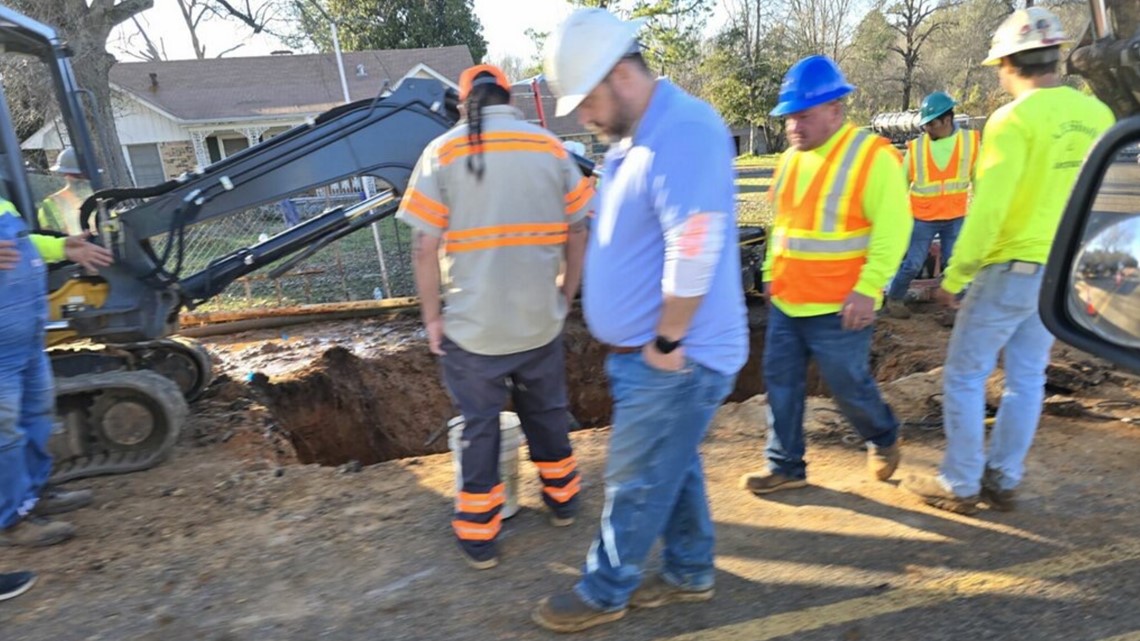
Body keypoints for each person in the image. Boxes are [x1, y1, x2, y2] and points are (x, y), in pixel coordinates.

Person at [532, 8, 747, 632]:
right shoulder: (637, 139)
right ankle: (689, 571)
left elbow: (696, 242)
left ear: (620, 73)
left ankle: (605, 589)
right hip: (661, 353)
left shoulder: (682, 131)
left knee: (636, 479)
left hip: (679, 353)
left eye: (586, 100)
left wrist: (664, 341)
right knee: (671, 465)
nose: (582, 116)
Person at [903, 7, 1115, 514]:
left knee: (965, 374)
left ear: (1010, 64)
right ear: (1056, 57)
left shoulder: (1012, 120)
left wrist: (955, 276)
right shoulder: (1098, 116)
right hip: (1061, 276)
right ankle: (1003, 476)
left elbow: (991, 210)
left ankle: (960, 483)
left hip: (1010, 269)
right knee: (1027, 379)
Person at [395, 64, 592, 570]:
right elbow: (579, 230)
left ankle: (480, 536)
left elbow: (423, 247)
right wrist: (565, 293)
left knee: (482, 427)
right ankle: (564, 502)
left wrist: (433, 318)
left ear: (465, 104)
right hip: (538, 322)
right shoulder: (549, 148)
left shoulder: (442, 152)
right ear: (510, 99)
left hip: (472, 330)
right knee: (546, 416)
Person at [738, 55, 912, 496]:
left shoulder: (871, 157)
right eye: (789, 117)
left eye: (803, 115)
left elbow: (895, 230)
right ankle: (785, 466)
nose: (793, 126)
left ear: (835, 109)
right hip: (788, 303)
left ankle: (884, 436)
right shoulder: (792, 160)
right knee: (780, 384)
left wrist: (869, 289)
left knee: (847, 385)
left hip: (841, 306)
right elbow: (785, 226)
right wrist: (769, 273)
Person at [1, 196, 113, 547]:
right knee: (4, 433)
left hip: (26, 339)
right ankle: (12, 519)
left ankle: (34, 494)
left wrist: (62, 247)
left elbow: (21, 245)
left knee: (37, 414)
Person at [885, 91, 981, 324]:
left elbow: (980, 180)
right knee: (912, 263)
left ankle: (956, 307)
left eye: (932, 123)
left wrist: (980, 209)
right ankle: (895, 299)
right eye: (925, 124)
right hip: (923, 218)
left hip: (956, 216)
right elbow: (901, 184)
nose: (927, 128)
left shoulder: (970, 143)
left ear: (947, 120)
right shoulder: (916, 148)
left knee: (953, 264)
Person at [38, 147, 94, 235]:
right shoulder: (51, 203)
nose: (83, 179)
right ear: (66, 174)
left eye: (85, 175)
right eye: (77, 176)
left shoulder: (100, 197)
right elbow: (49, 236)